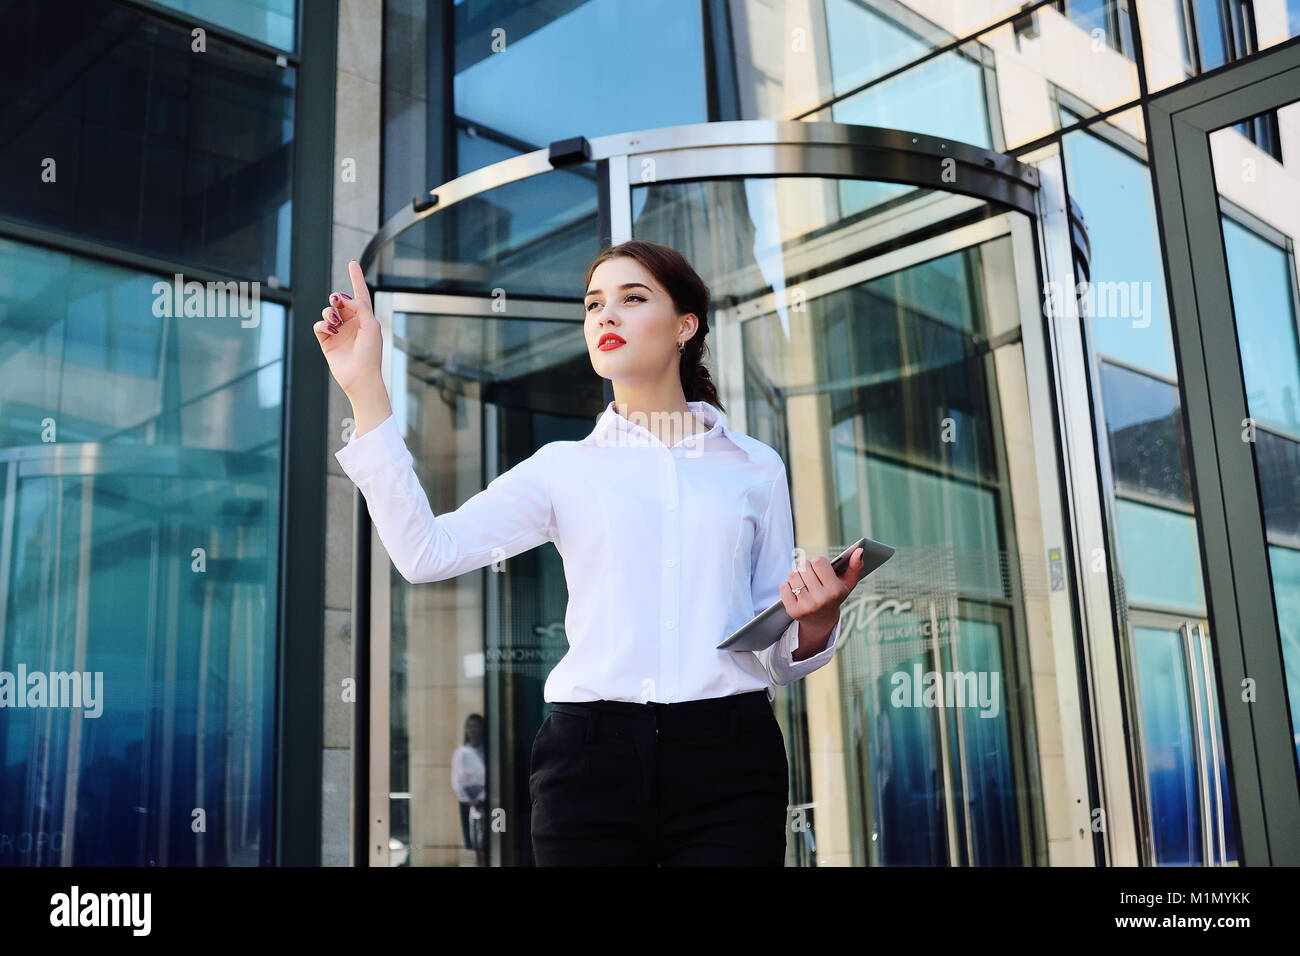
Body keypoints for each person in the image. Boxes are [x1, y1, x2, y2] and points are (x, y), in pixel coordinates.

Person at [317, 240, 866, 866]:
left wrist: (817, 621)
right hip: (589, 761)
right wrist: (365, 388)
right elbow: (424, 553)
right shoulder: (563, 469)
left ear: (685, 325)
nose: (606, 316)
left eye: (632, 299)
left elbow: (767, 650)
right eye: (594, 305)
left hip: (730, 757)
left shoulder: (755, 467)